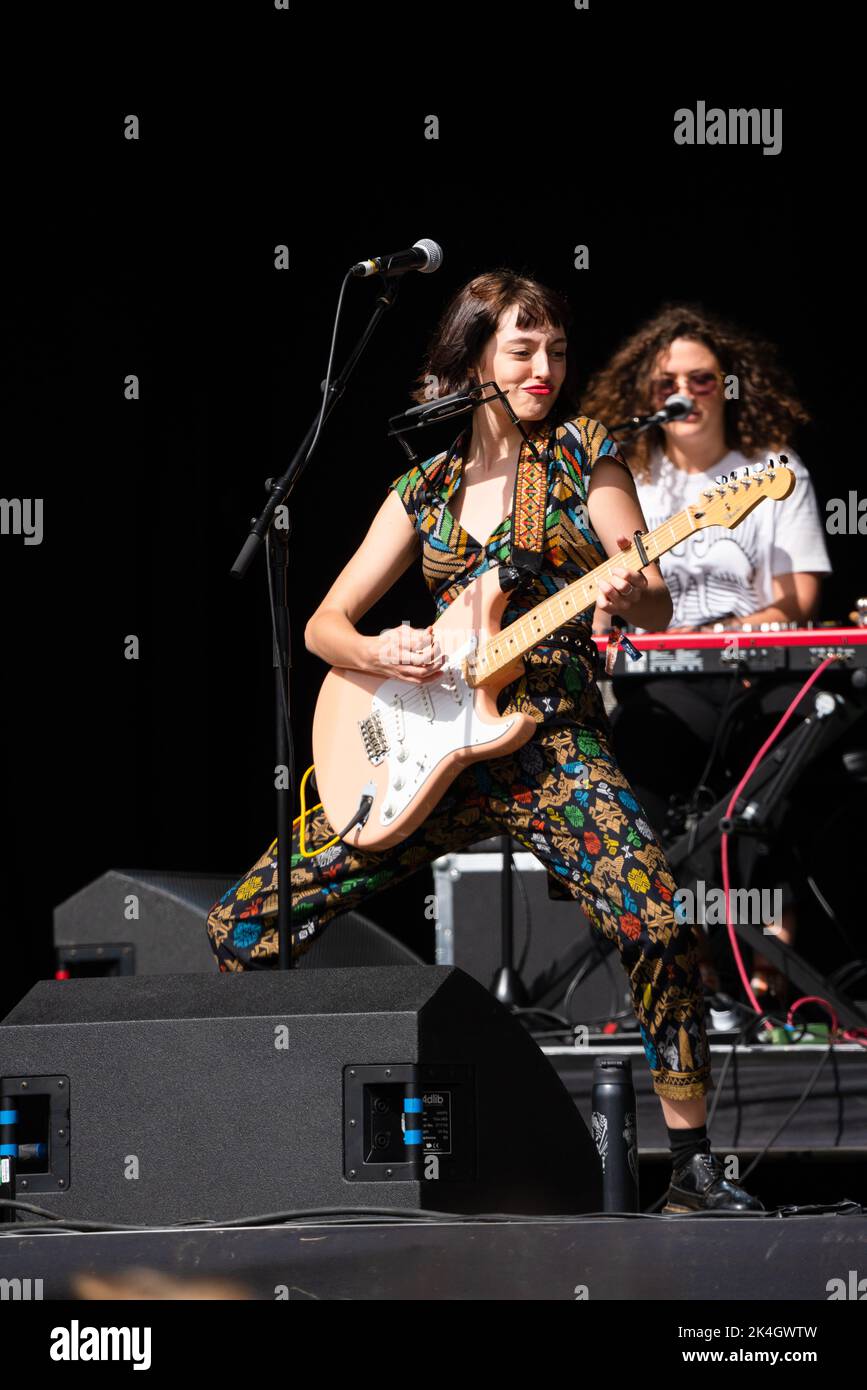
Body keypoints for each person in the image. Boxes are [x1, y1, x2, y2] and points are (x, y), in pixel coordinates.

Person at [206, 271, 763, 1214]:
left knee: (654, 919)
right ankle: (263, 1138)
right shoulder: (422, 487)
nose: (545, 367)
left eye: (554, 349)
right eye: (521, 349)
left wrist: (636, 593)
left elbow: (649, 586)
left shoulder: (587, 454)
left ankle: (695, 1169)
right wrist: (384, 645)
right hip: (427, 752)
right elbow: (324, 626)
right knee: (245, 926)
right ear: (472, 360)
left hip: (547, 738)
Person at [581, 303, 832, 1004]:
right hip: (656, 681)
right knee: (637, 756)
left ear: (727, 387)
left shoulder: (771, 469)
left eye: (701, 379)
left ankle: (767, 956)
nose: (684, 393)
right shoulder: (621, 476)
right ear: (645, 393)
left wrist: (745, 629)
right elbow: (601, 600)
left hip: (749, 672)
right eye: (667, 381)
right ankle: (678, 958)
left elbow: (798, 600)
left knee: (785, 756)